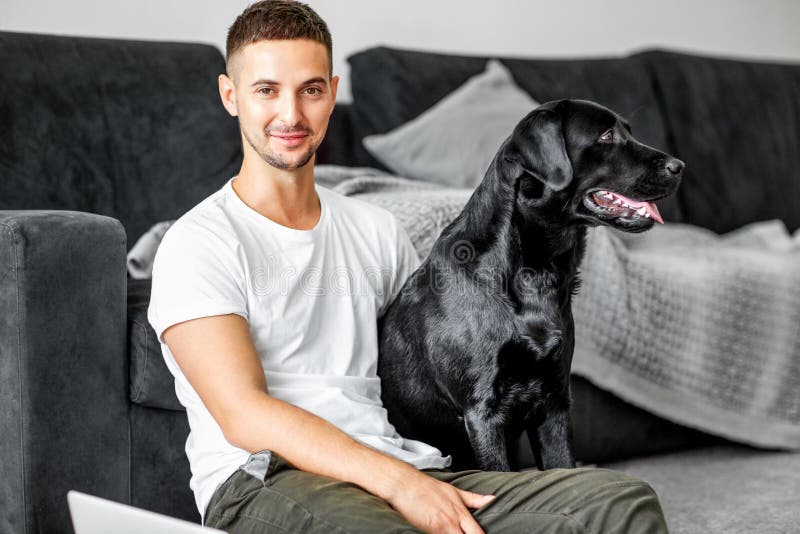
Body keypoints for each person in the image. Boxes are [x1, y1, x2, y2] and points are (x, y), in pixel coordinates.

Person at [147, 1, 669, 532]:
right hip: (267, 477)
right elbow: (244, 415)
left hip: (406, 463)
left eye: (309, 89)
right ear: (230, 96)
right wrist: (399, 483)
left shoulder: (375, 229)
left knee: (619, 503)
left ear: (330, 92)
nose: (291, 115)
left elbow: (431, 350)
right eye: (266, 90)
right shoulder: (200, 243)